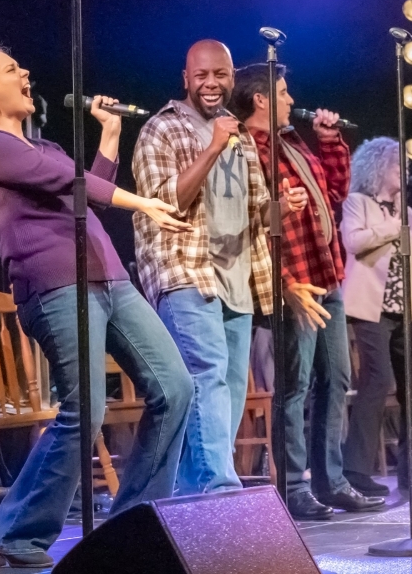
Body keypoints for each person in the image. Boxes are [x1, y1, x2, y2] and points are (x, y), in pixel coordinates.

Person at [0, 46, 195, 567]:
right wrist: (142, 202)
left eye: (23, 65)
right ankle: (16, 531)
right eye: (10, 70)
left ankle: (135, 524)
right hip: (56, 286)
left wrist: (109, 134)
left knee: (176, 388)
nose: (25, 73)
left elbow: (81, 192)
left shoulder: (43, 146)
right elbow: (77, 184)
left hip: (109, 277)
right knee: (84, 409)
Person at [132, 40, 308, 495]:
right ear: (186, 79)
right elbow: (162, 202)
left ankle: (196, 498)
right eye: (202, 76)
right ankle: (220, 488)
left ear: (232, 79)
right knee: (206, 374)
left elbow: (251, 214)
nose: (211, 84)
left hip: (238, 277)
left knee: (229, 387)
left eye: (220, 75)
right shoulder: (162, 130)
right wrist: (211, 149)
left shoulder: (241, 136)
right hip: (186, 273)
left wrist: (281, 209)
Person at [230, 63, 384, 519]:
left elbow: (335, 194)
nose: (291, 99)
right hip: (293, 281)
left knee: (336, 379)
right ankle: (293, 487)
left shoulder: (292, 143)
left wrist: (331, 142)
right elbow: (251, 220)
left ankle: (331, 481)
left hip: (326, 273)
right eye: (282, 91)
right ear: (260, 99)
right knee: (294, 386)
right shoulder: (246, 149)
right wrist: (284, 279)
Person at [339, 137, 412, 496]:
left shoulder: (406, 209)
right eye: (396, 165)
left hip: (408, 310)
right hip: (371, 308)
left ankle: (409, 468)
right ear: (377, 168)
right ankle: (356, 470)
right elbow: (353, 243)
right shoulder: (357, 202)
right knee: (377, 381)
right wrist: (392, 226)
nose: (403, 172)